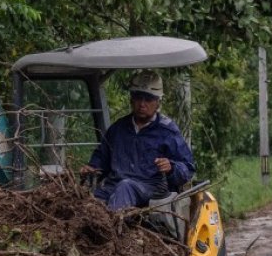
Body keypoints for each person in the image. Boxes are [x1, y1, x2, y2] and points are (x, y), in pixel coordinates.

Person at [80, 70, 195, 211]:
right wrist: (91, 168)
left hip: (151, 189)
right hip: (114, 186)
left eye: (148, 99)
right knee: (86, 202)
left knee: (126, 186)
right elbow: (100, 159)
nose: (142, 104)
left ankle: (110, 230)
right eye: (138, 98)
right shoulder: (118, 129)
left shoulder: (167, 131)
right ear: (131, 99)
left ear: (158, 102)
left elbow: (187, 168)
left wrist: (171, 168)